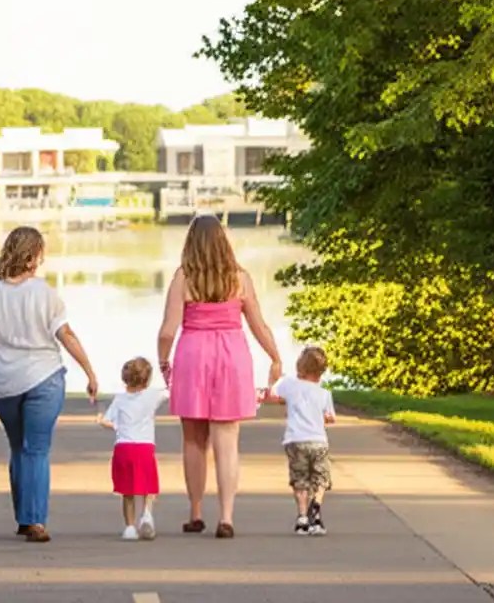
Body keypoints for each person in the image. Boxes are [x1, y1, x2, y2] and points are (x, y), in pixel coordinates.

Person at [0, 226, 99, 543]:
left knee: (19, 447)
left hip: (4, 381)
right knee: (37, 449)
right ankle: (35, 521)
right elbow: (65, 335)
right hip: (44, 377)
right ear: (33, 256)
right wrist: (89, 370)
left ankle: (24, 517)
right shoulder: (44, 293)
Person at [157, 215, 284, 539]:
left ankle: (196, 511)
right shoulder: (239, 278)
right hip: (232, 356)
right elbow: (259, 324)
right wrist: (274, 356)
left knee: (193, 439)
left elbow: (168, 330)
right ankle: (226, 517)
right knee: (227, 441)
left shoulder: (184, 278)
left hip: (193, 356)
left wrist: (162, 361)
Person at [262, 346, 336, 536]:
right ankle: (316, 509)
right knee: (320, 478)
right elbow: (330, 418)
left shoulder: (289, 384)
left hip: (295, 440)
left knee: (300, 479)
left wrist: (272, 378)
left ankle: (302, 517)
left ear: (299, 368)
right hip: (318, 441)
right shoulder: (324, 394)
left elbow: (271, 395)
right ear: (321, 373)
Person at [98, 357, 169, 541]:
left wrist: (111, 425)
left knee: (127, 492)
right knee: (148, 486)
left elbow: (107, 421)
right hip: (145, 448)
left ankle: (129, 527)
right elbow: (170, 391)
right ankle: (146, 514)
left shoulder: (120, 399)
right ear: (147, 379)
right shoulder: (152, 396)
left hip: (123, 448)